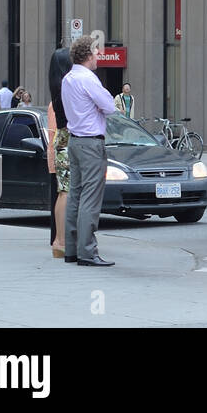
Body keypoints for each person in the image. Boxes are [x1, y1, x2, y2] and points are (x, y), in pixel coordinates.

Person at [62, 35, 119, 267]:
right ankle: (88, 252)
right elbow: (110, 106)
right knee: (90, 199)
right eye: (96, 52)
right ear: (87, 55)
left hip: (75, 142)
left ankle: (72, 250)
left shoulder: (68, 78)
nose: (99, 56)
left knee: (75, 194)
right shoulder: (88, 78)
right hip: (91, 143)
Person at [46, 46, 72, 259]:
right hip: (64, 148)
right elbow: (57, 132)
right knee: (64, 193)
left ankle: (60, 241)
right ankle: (60, 241)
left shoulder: (56, 95)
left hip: (59, 148)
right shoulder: (66, 95)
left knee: (62, 193)